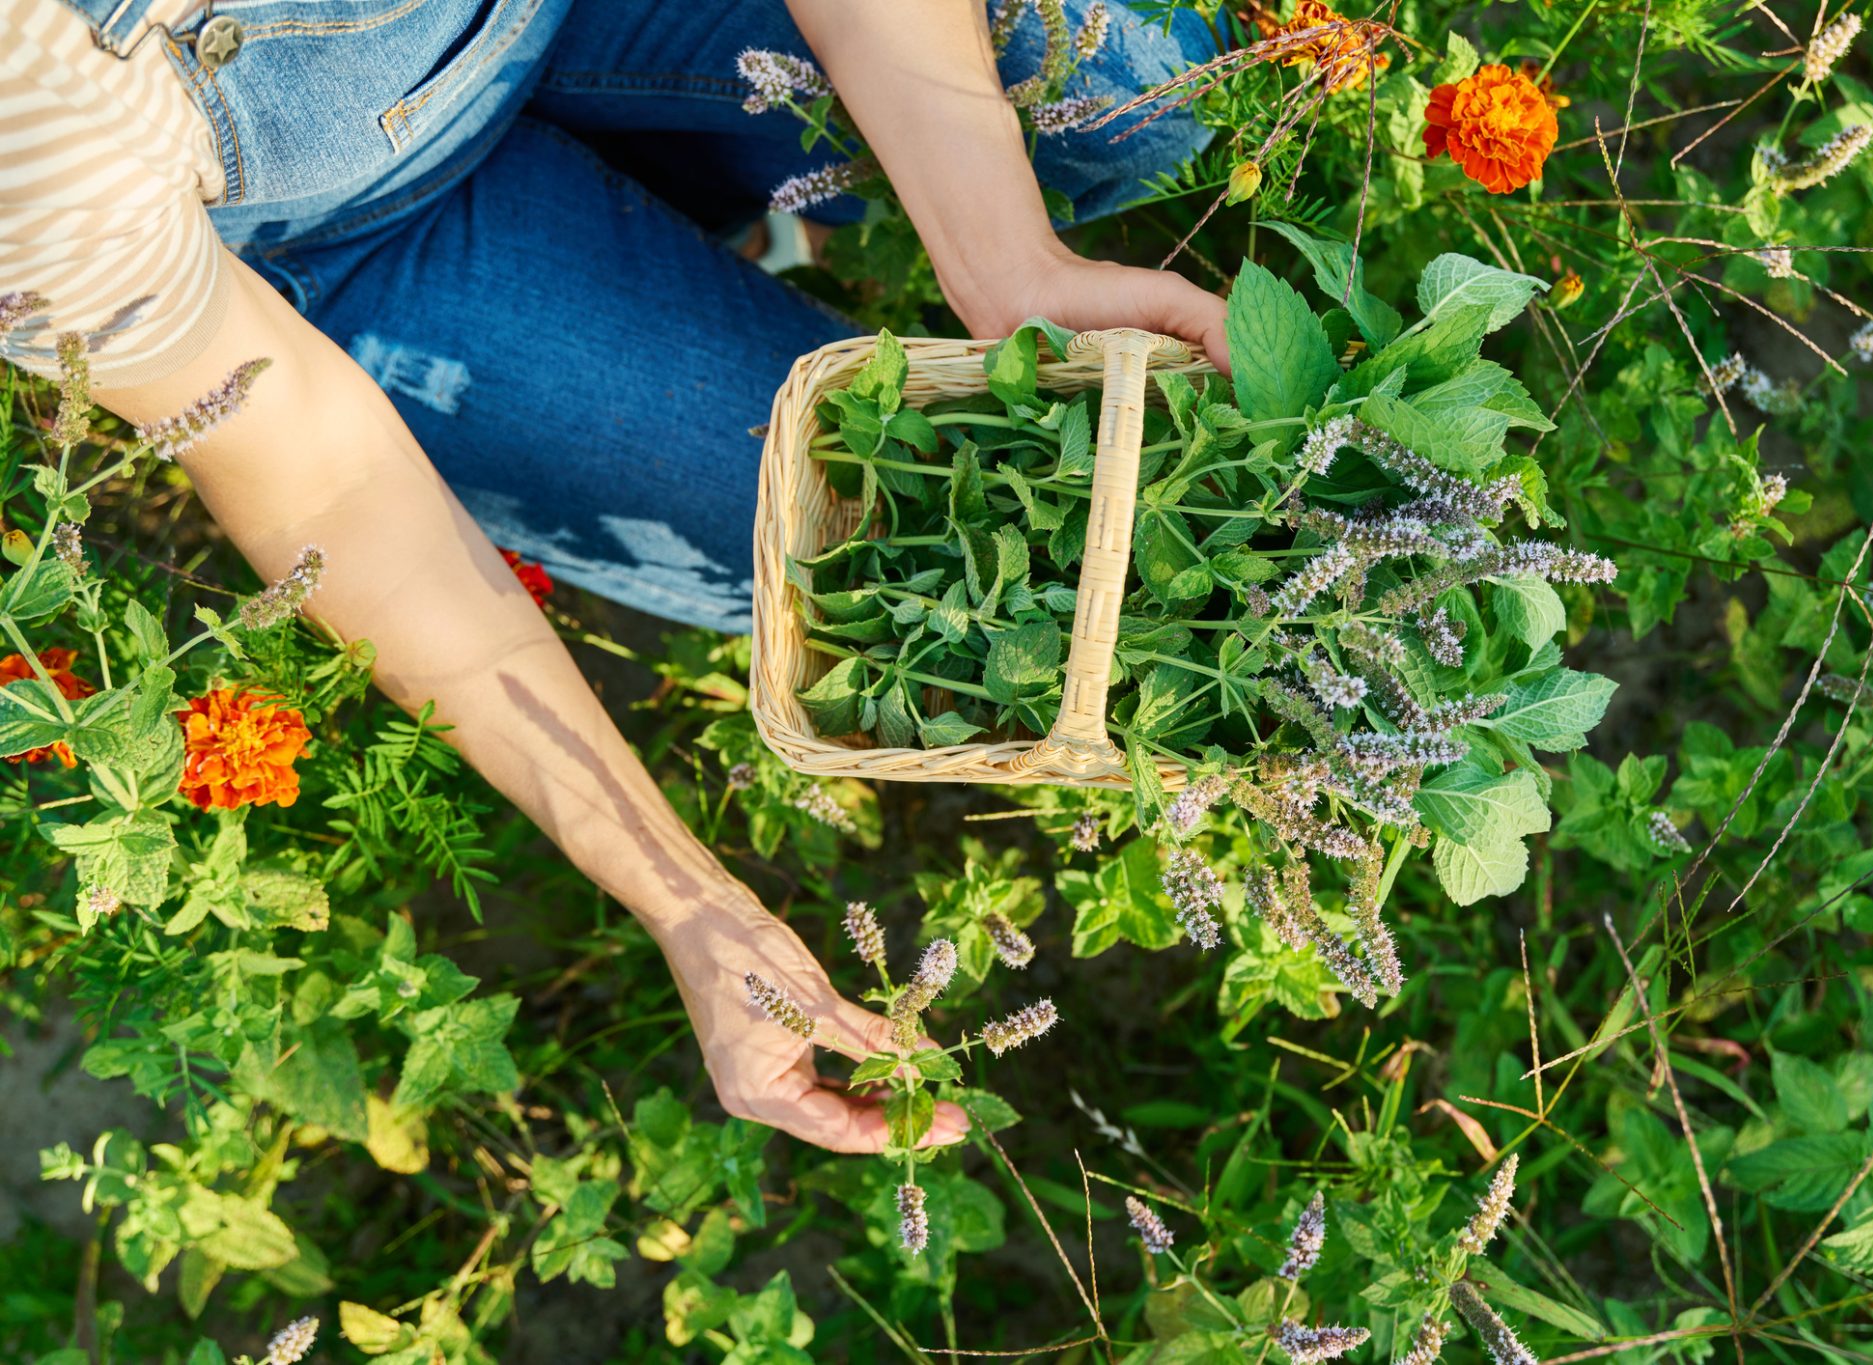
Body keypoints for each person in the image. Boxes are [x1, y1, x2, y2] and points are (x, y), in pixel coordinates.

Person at [0, 0, 1231, 1153]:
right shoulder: (24, 136)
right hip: (352, 235)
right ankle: (690, 219)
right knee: (898, 561)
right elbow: (323, 485)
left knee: (1144, 89)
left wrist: (1008, 265)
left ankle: (680, 195)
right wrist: (690, 902)